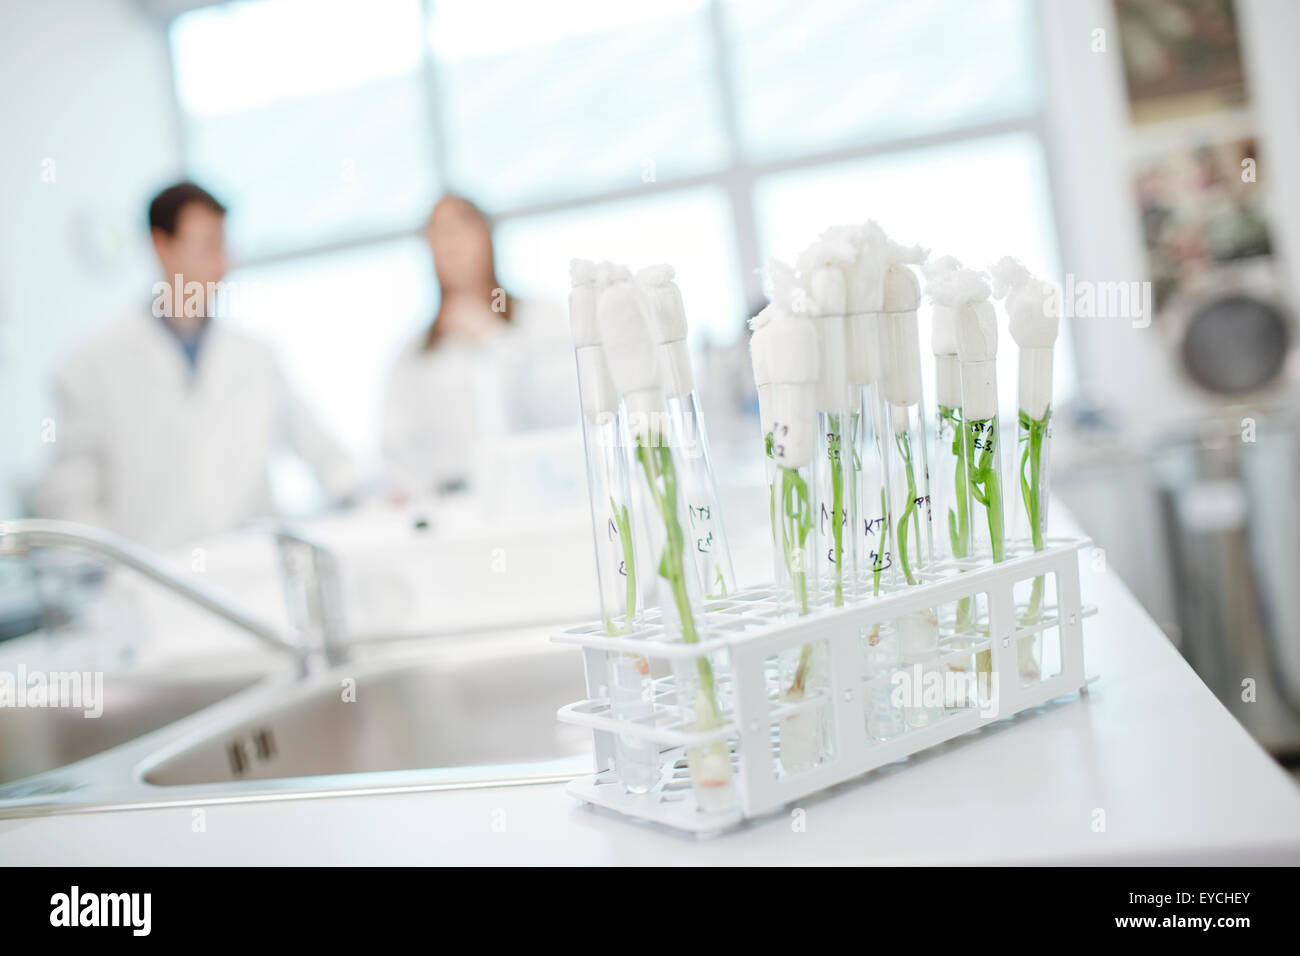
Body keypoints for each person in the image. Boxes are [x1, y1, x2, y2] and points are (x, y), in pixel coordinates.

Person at [36, 182, 360, 551]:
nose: (224, 263)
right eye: (209, 247)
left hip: (250, 573)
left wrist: (368, 499)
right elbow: (68, 498)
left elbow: (324, 453)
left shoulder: (256, 357)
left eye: (224, 247)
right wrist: (116, 574)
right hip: (148, 590)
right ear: (162, 246)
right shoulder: (92, 365)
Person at [381, 195, 572, 498]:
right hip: (452, 508)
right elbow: (396, 445)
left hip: (539, 494)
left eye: (460, 228)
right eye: (438, 234)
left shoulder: (539, 318)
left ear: (486, 235)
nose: (450, 244)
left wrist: (495, 339)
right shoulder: (414, 351)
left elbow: (564, 412)